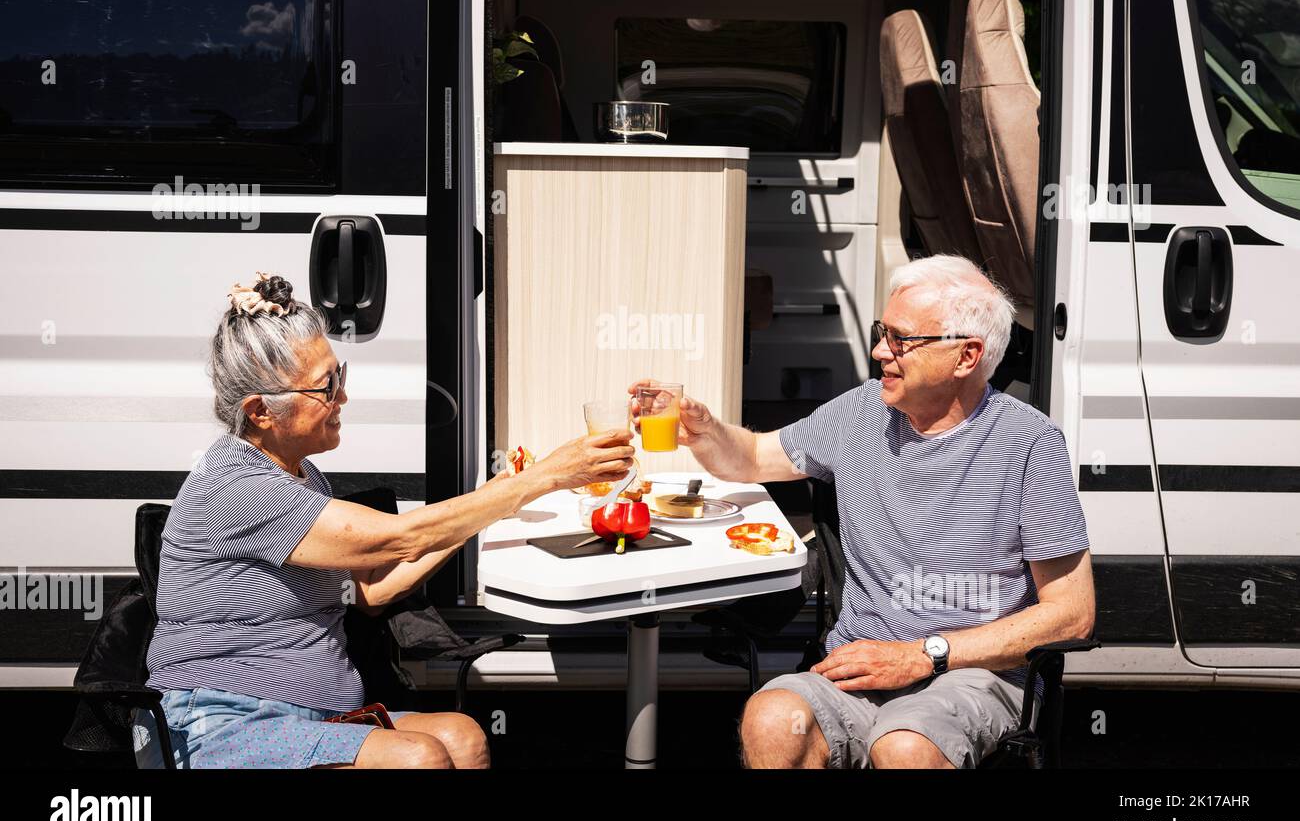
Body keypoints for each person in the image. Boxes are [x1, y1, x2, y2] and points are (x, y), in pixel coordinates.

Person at [132, 271, 634, 768]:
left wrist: (491, 506)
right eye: (325, 388)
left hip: (316, 711)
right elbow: (400, 538)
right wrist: (535, 481)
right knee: (418, 757)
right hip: (223, 723)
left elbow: (372, 592)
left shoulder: (300, 474)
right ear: (261, 411)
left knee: (463, 738)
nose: (342, 398)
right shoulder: (237, 490)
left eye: (339, 376)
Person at [629, 254, 1095, 768]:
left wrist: (921, 654)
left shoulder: (1028, 442)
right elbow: (755, 458)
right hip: (858, 662)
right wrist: (707, 429)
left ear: (966, 356)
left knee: (904, 746)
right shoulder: (862, 410)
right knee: (771, 718)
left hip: (973, 672)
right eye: (882, 332)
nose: (879, 351)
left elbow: (1071, 615)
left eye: (901, 340)